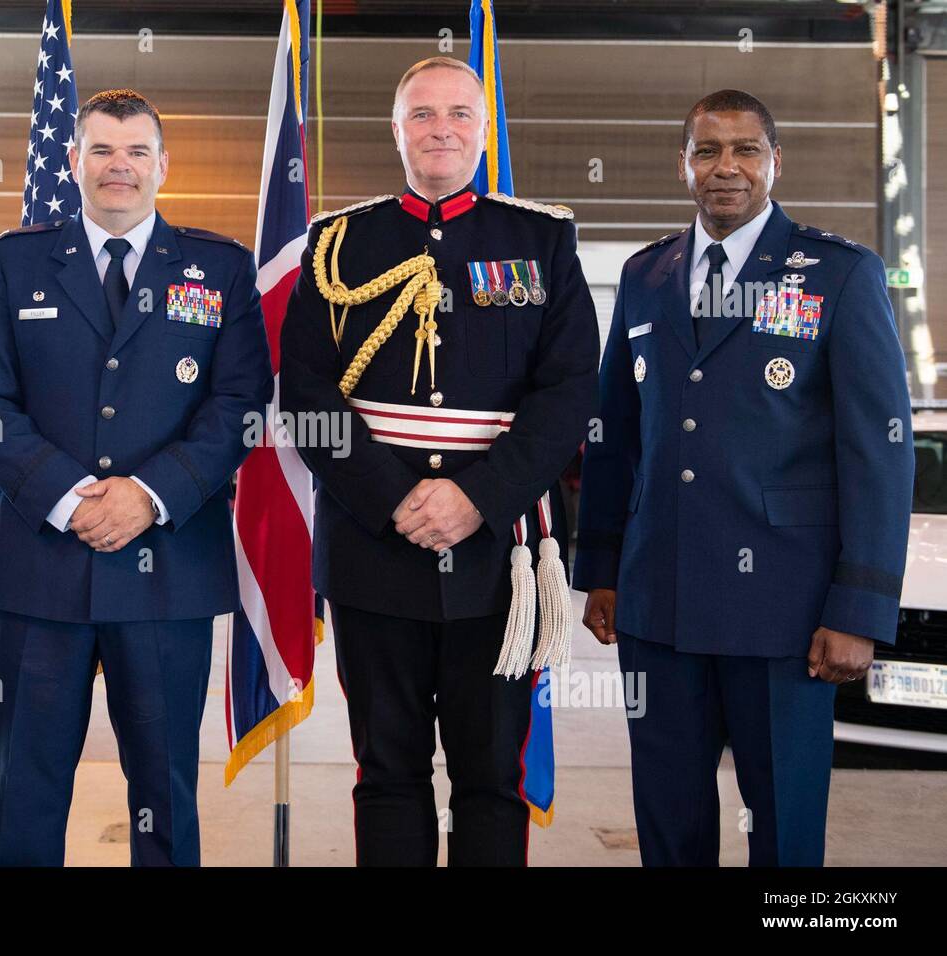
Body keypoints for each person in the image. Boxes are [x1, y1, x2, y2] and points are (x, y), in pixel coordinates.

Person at [573, 89, 915, 866]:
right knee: (670, 826)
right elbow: (615, 434)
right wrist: (600, 568)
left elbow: (878, 452)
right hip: (658, 607)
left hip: (786, 617)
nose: (726, 167)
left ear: (774, 163)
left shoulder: (840, 275)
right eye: (707, 150)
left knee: (784, 829)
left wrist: (859, 606)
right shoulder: (645, 275)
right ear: (684, 164)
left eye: (746, 150)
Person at [279, 57, 598, 866]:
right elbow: (308, 398)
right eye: (422, 114)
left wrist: (476, 498)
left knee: (492, 776)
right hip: (372, 552)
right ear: (397, 131)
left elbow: (568, 396)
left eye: (459, 112)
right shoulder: (335, 243)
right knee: (387, 772)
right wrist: (395, 498)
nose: (442, 128)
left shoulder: (541, 238)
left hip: (500, 558)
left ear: (484, 131)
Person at [0, 89, 272, 867]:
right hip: (41, 567)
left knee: (163, 786)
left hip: (168, 567)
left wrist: (148, 494)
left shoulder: (220, 267)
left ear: (163, 166)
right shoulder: (16, 260)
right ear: (74, 163)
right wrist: (68, 497)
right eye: (101, 150)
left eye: (136, 152)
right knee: (27, 784)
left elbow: (239, 403)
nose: (118, 167)